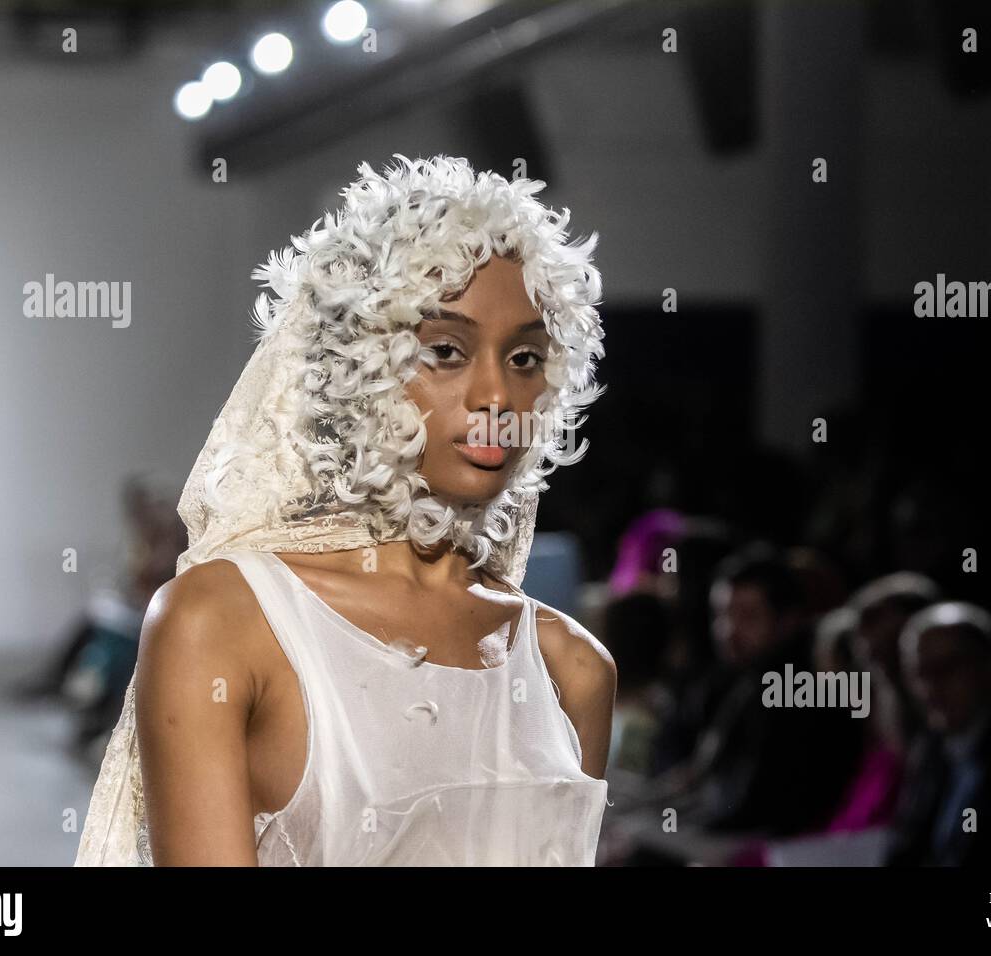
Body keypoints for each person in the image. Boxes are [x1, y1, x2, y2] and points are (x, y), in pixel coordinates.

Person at [75, 154, 616, 866]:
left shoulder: (571, 668)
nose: (496, 398)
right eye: (446, 350)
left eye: (524, 359)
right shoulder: (222, 622)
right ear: (355, 366)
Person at [884, 601, 991, 867]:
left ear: (990, 664)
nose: (932, 686)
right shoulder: (930, 750)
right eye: (921, 672)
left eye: (949, 667)